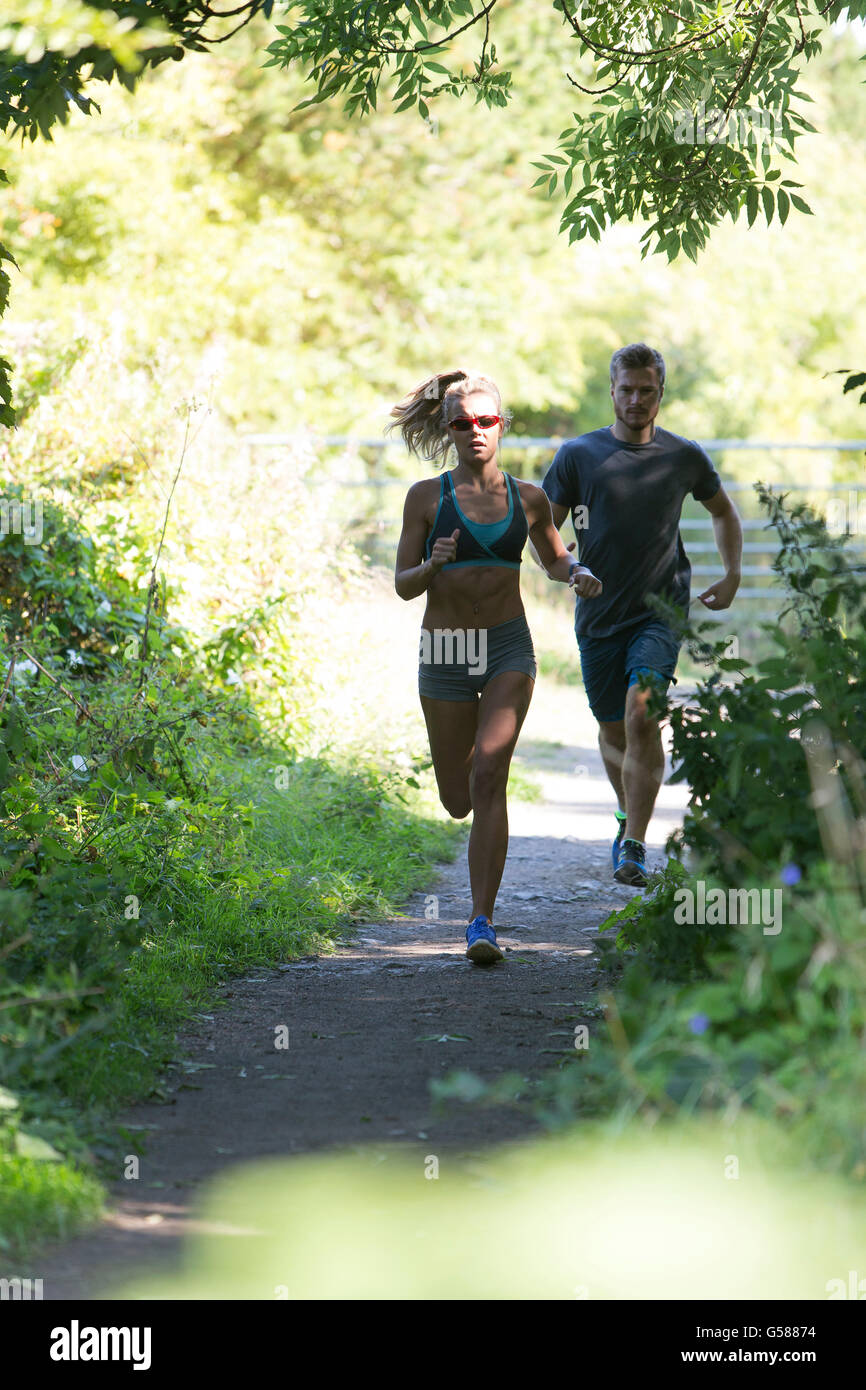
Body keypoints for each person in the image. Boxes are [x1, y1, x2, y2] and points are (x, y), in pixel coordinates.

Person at [392, 369, 602, 964]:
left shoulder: (529, 499)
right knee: (457, 797)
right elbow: (404, 586)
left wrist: (579, 575)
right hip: (447, 650)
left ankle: (480, 921)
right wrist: (432, 566)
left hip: (508, 646)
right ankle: (476, 900)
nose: (476, 431)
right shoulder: (426, 498)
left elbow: (556, 560)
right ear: (449, 429)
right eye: (463, 423)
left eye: (487, 421)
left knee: (490, 774)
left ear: (502, 425)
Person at [537, 343, 743, 887]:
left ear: (660, 393)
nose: (635, 400)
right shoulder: (578, 456)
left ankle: (633, 845)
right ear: (612, 390)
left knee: (641, 712)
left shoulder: (683, 456)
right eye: (625, 389)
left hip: (660, 608)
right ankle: (628, 813)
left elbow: (722, 510)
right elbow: (544, 531)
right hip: (599, 611)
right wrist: (569, 569)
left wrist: (733, 572)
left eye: (646, 390)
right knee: (611, 728)